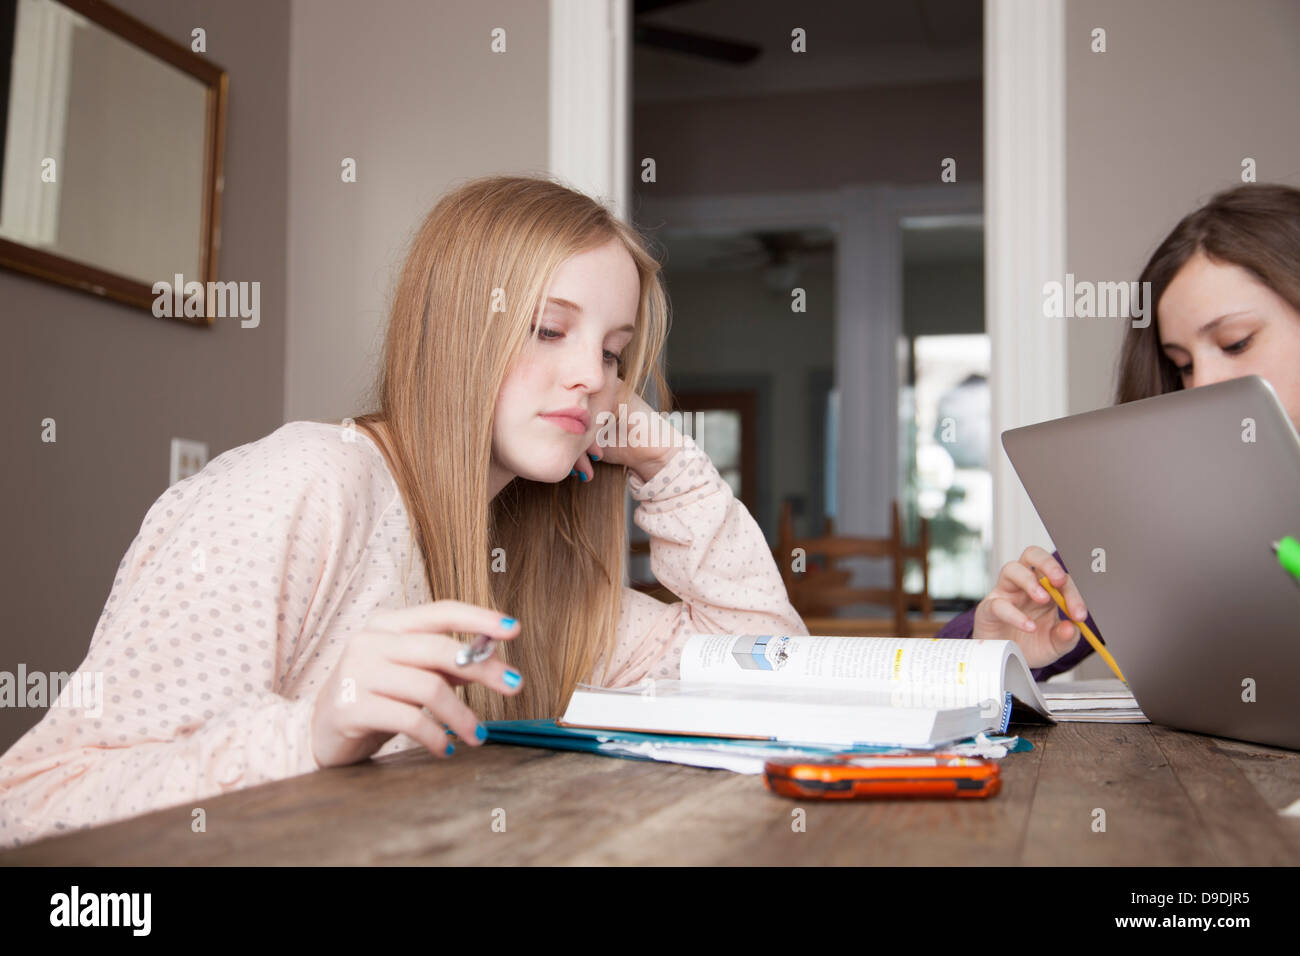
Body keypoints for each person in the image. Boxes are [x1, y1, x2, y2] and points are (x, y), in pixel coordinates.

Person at [0, 175, 807, 847]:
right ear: (457, 329)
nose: (592, 378)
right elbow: (36, 806)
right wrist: (312, 734)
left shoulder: (536, 566)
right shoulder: (303, 487)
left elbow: (771, 677)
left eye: (611, 351)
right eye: (548, 329)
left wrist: (675, 468)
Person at [934, 183, 1300, 680]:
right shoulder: (1176, 511)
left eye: (1235, 343)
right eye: (1183, 365)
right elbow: (939, 670)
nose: (1202, 386)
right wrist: (992, 648)